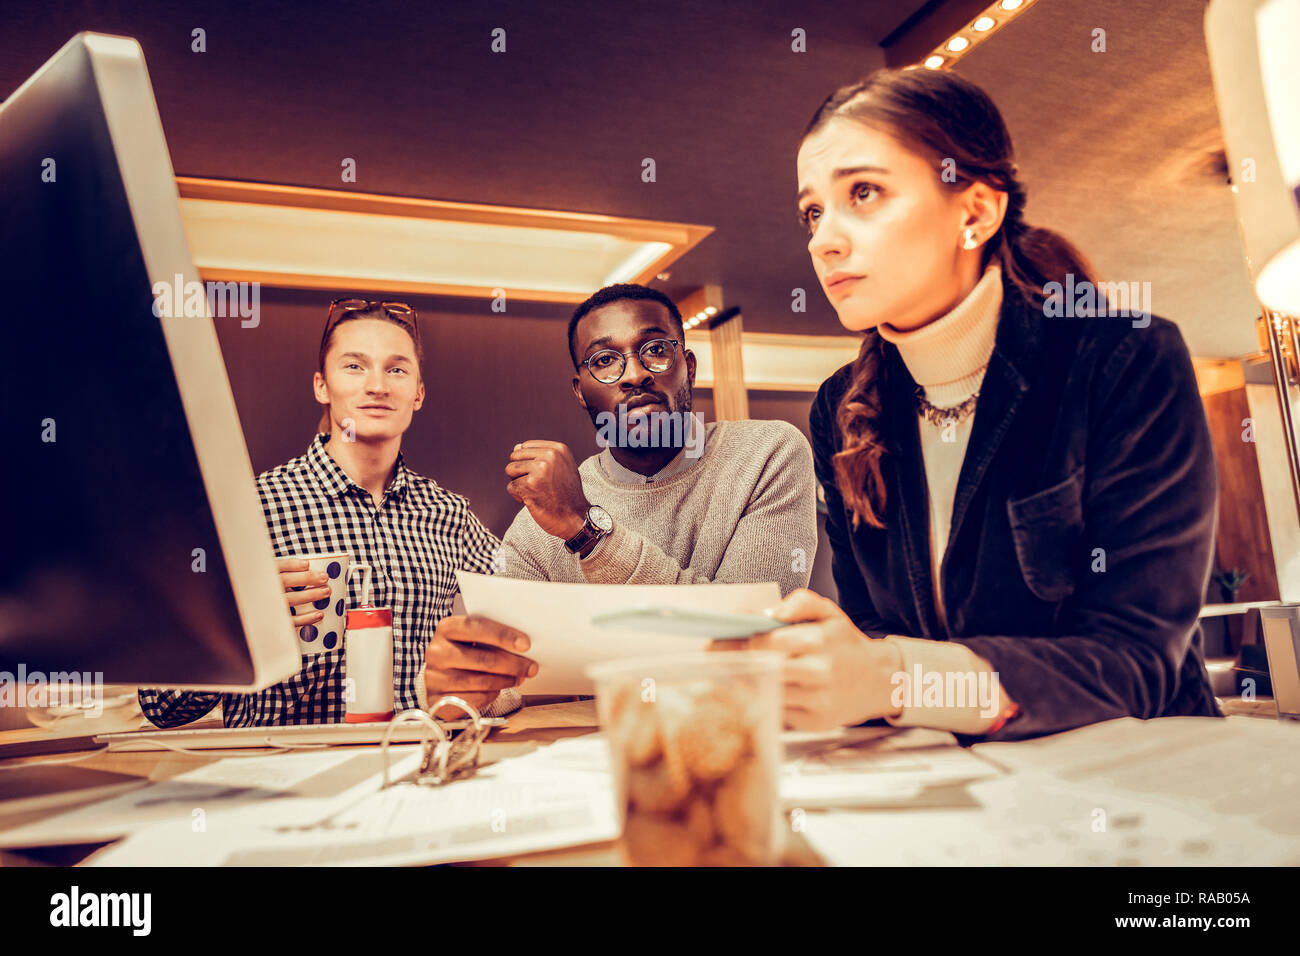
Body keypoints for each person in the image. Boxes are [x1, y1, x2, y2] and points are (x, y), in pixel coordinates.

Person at [743, 68, 1221, 742]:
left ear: (975, 212)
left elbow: (1136, 663)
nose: (824, 238)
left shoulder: (1125, 362)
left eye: (864, 193)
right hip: (961, 782)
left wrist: (898, 678)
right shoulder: (836, 411)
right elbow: (876, 628)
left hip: (1147, 776)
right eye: (813, 211)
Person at [139, 299, 533, 726]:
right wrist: (238, 625)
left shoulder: (449, 515)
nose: (378, 386)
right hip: (285, 776)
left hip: (414, 773)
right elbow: (161, 705)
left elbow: (536, 623)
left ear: (418, 394)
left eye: (396, 369)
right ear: (321, 386)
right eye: (354, 366)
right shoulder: (249, 511)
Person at [490, 283, 817, 593]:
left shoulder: (767, 455)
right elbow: (515, 642)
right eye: (605, 360)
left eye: (656, 350)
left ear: (689, 368)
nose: (635, 375)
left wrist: (586, 530)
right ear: (580, 392)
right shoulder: (543, 518)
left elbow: (751, 627)